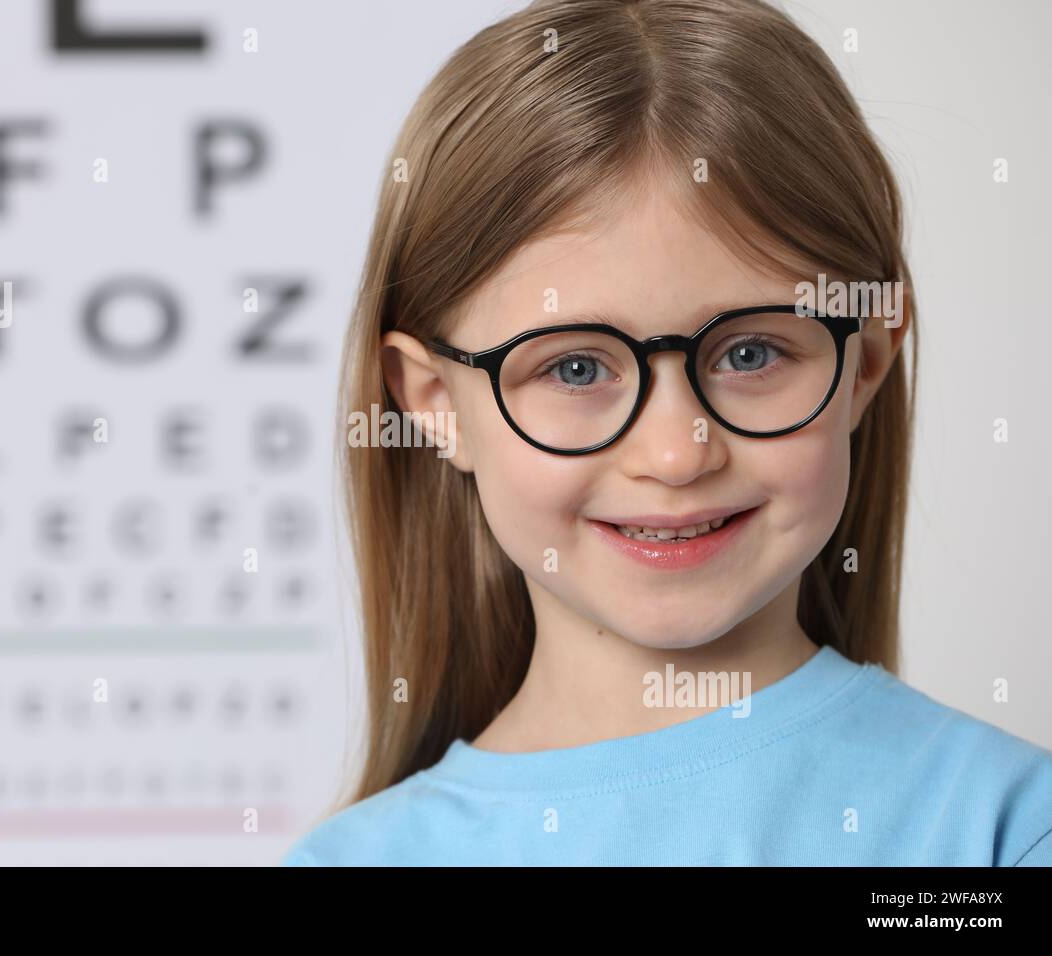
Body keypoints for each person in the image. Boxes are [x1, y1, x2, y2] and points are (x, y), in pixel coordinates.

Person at [281, 0, 1052, 865]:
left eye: (751, 353)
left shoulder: (1005, 832)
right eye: (577, 368)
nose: (678, 454)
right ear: (434, 403)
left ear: (865, 363)